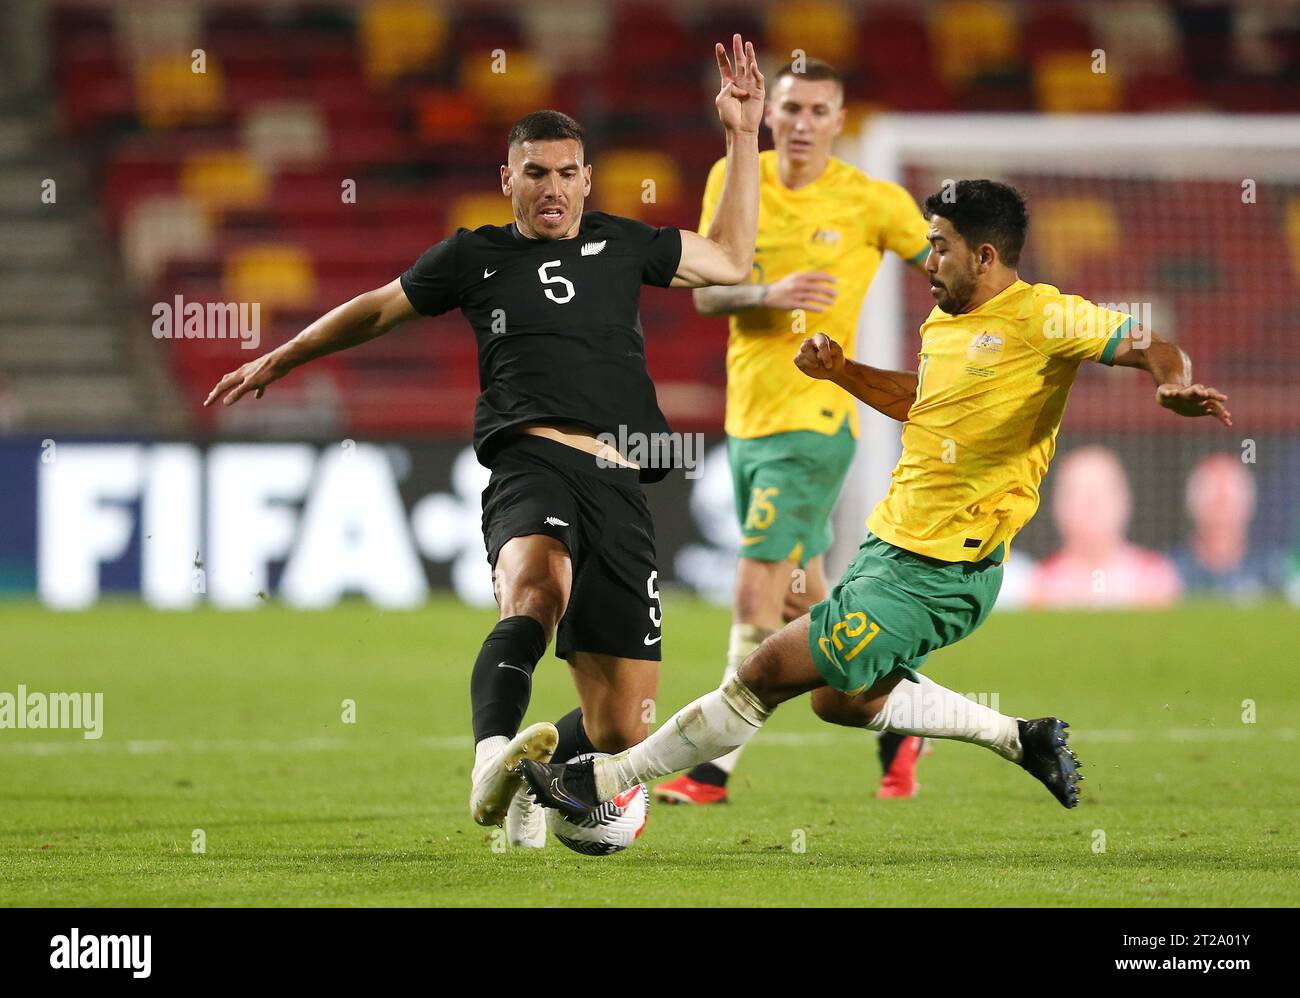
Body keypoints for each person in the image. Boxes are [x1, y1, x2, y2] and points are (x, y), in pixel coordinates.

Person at [520, 179, 1232, 821]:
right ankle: (1024, 738)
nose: (926, 261)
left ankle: (603, 781)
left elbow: (1146, 343)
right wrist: (843, 372)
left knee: (763, 673)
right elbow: (923, 401)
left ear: (985, 256)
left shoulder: (1043, 317)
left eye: (939, 248)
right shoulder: (946, 323)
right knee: (840, 699)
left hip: (942, 572)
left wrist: (1172, 381)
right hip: (887, 548)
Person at [204, 35, 766, 848]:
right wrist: (282, 356)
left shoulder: (625, 245)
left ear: (586, 180)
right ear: (508, 179)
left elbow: (734, 258)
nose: (552, 189)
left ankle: (537, 779)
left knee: (620, 724)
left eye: (567, 172)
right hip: (531, 460)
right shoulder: (474, 256)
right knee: (536, 589)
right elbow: (373, 308)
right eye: (534, 172)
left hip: (623, 487)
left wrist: (743, 133)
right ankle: (491, 758)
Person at [656, 58, 936, 807]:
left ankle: (709, 770)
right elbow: (706, 298)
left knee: (753, 600)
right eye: (791, 109)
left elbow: (949, 272)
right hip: (748, 419)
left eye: (819, 110)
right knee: (805, 610)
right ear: (770, 113)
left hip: (813, 424)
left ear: (841, 120)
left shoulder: (873, 201)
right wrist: (766, 292)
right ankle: (906, 713)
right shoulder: (734, 177)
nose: (804, 123)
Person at [1028, 446, 1182, 608]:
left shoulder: (1155, 577)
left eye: (1102, 491)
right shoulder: (1041, 583)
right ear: (1057, 505)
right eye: (1078, 493)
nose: (1092, 504)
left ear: (1124, 499)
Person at [1170, 453, 1277, 599]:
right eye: (1213, 501)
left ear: (1250, 505)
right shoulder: (1169, 573)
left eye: (1230, 501)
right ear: (1191, 505)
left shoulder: (1273, 572)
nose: (1222, 512)